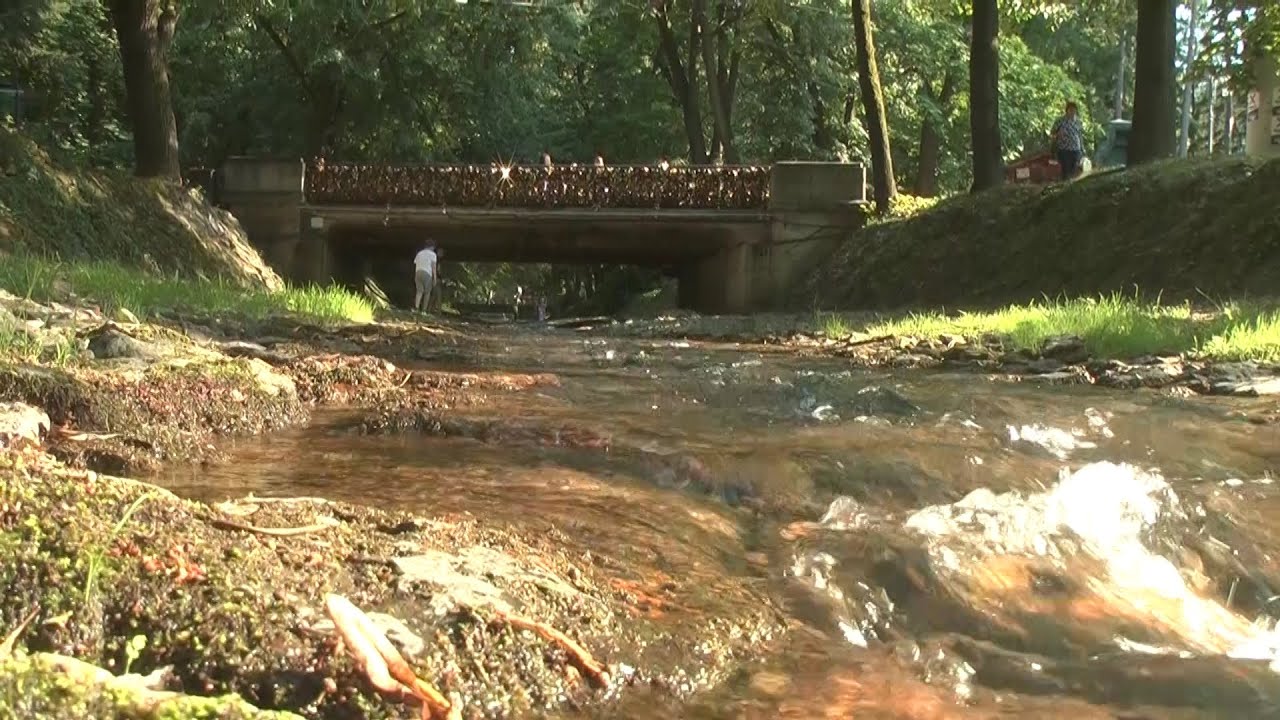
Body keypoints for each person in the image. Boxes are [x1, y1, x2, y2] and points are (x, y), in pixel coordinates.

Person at [1050, 101, 1085, 181]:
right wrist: (1058, 135)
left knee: (1075, 171)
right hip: (1064, 150)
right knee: (1065, 171)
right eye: (1070, 110)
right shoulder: (1060, 121)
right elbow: (1052, 134)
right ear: (1067, 110)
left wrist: (1082, 149)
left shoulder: (1078, 122)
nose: (1072, 112)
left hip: (1076, 149)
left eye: (1074, 110)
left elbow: (1080, 136)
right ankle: (1064, 186)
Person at [412, 241, 438, 313]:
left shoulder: (419, 253)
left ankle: (416, 309)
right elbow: (434, 267)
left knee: (419, 291)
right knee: (427, 292)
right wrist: (435, 278)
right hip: (427, 273)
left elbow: (415, 263)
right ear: (432, 247)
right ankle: (424, 310)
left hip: (418, 272)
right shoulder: (433, 254)